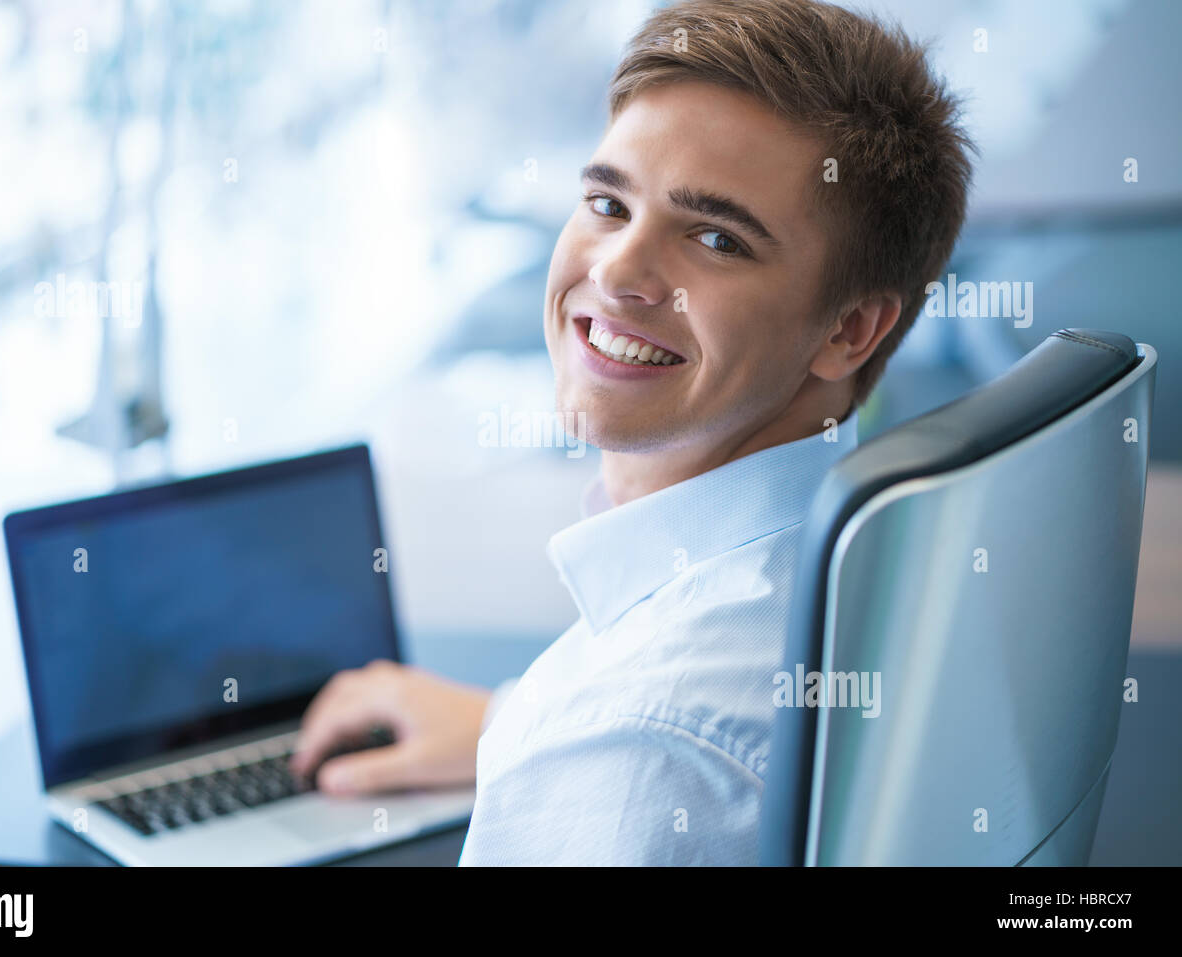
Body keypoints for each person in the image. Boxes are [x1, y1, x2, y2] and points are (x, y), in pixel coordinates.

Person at [288, 0, 974, 864]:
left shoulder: (634, 749)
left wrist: (570, 745)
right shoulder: (868, 566)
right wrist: (511, 722)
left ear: (849, 331)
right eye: (609, 203)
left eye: (718, 238)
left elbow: (654, 751)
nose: (617, 273)